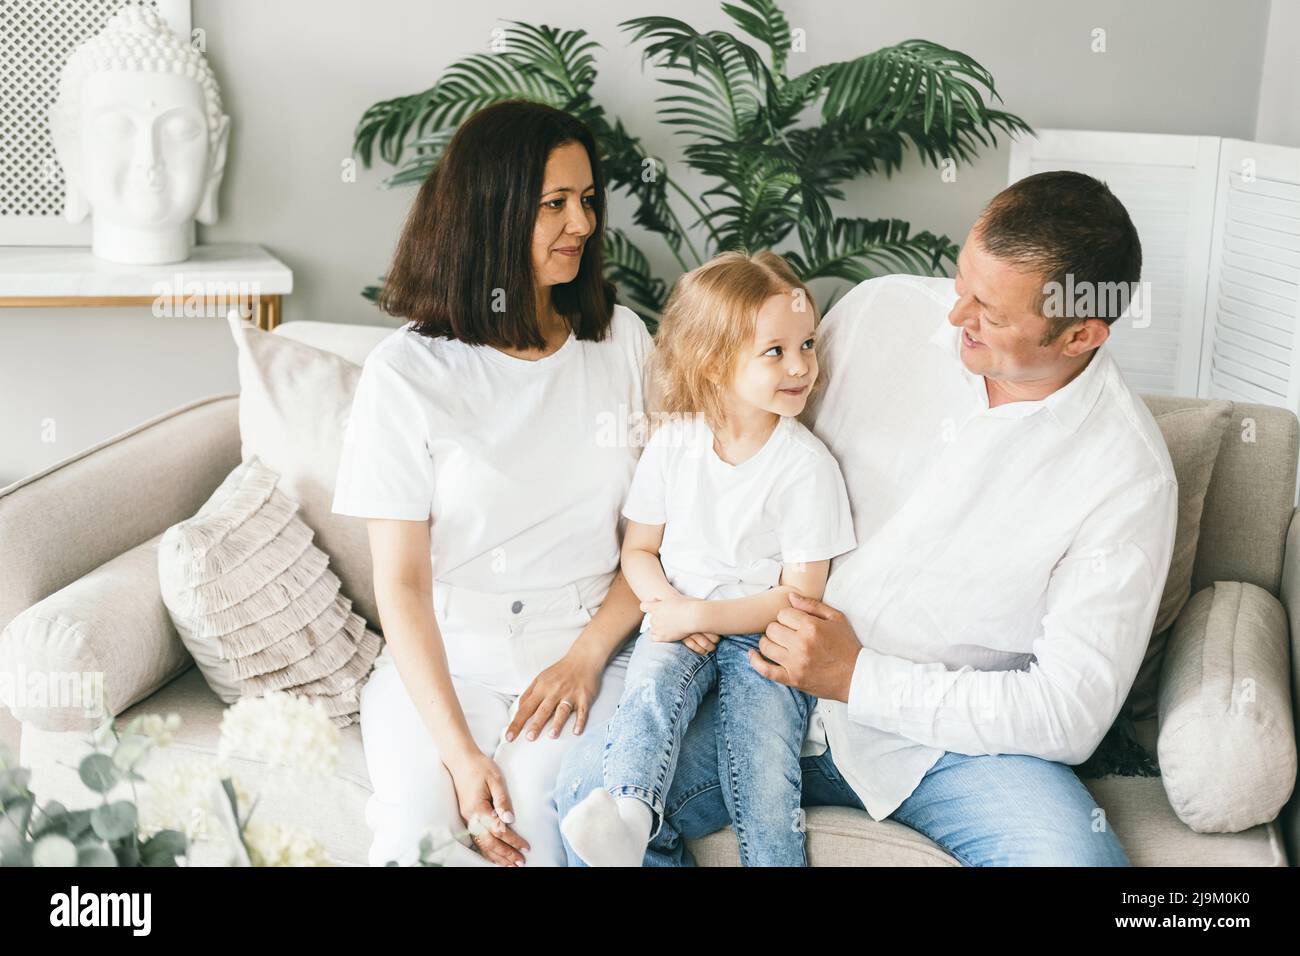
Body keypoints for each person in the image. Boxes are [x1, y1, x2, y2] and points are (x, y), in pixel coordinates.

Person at [557, 170, 1178, 866]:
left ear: (1081, 334)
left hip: (945, 748)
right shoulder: (877, 316)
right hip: (757, 678)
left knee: (1076, 862)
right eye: (960, 282)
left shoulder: (1127, 478)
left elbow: (1068, 713)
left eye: (990, 314)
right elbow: (751, 448)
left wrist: (857, 677)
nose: (953, 317)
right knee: (587, 796)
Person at [331, 100, 651, 867]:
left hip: (583, 655)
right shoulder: (406, 374)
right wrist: (459, 754)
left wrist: (585, 658)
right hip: (447, 661)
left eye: (587, 200)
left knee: (548, 836)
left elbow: (653, 542)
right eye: (554, 204)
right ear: (492, 213)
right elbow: (401, 587)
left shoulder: (621, 343)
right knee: (416, 838)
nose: (582, 223)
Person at [559, 252, 855, 867]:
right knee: (646, 695)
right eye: (774, 351)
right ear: (713, 360)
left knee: (761, 764)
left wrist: (699, 615)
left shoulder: (806, 468)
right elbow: (638, 550)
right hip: (680, 618)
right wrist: (669, 607)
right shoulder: (675, 443)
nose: (801, 366)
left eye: (807, 345)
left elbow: (800, 598)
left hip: (762, 638)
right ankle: (631, 815)